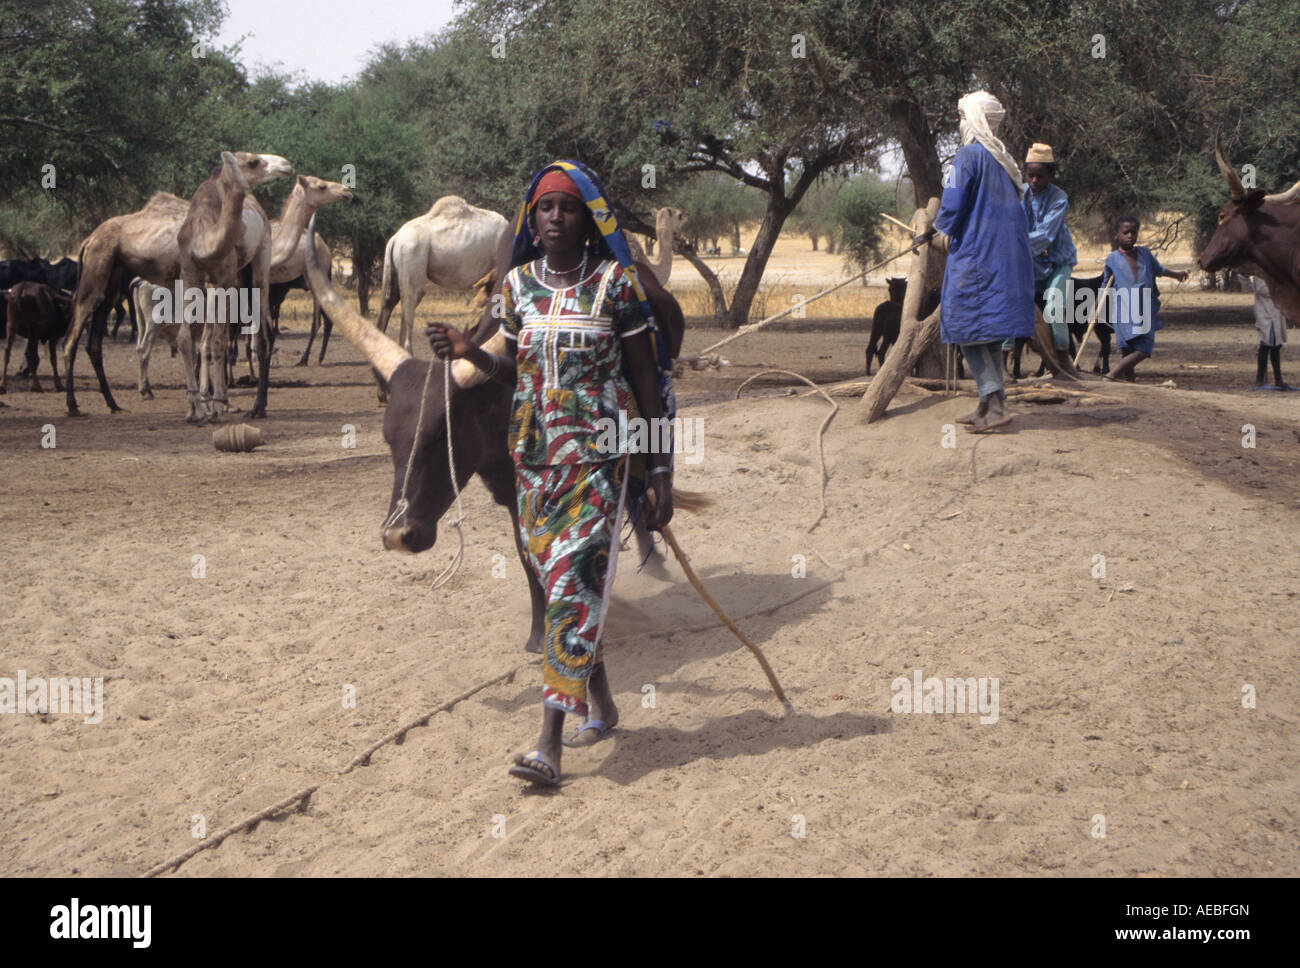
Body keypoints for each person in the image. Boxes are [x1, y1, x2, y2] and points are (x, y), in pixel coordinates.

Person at [426, 161, 675, 787]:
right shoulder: (517, 288)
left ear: (586, 218)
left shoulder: (618, 284)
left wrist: (660, 469)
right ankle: (606, 702)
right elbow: (522, 376)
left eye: (567, 208)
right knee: (568, 585)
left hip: (598, 459)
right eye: (545, 209)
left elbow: (646, 381)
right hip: (533, 462)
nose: (556, 218)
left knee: (569, 588)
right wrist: (472, 352)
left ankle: (548, 744)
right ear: (531, 221)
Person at [918, 90, 1034, 432]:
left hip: (977, 255)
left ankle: (994, 402)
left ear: (974, 120)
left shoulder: (968, 156)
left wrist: (935, 230)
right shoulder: (1005, 163)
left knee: (962, 323)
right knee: (990, 329)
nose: (961, 124)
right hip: (1008, 257)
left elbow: (952, 203)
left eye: (964, 118)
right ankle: (987, 404)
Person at [1100, 216, 1188, 382]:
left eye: (1134, 232)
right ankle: (1126, 381)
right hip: (1123, 307)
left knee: (1144, 348)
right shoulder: (1112, 259)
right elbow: (1106, 283)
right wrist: (1098, 304)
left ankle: (1111, 375)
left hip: (1145, 306)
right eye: (1125, 232)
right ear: (1116, 235)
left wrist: (1177, 275)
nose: (1130, 236)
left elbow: (1159, 270)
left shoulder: (1145, 253)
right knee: (1128, 348)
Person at [1021, 142, 1077, 358]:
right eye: (1030, 175)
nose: (1034, 181)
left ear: (1051, 175)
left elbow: (1046, 235)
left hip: (1058, 261)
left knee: (1054, 307)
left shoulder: (1059, 198)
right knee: (1013, 301)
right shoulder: (1019, 194)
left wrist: (1014, 246)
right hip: (1030, 263)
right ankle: (1003, 364)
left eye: (1040, 176)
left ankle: (1063, 361)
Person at [1249, 274, 1293, 390]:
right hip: (1266, 314)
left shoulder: (1271, 271)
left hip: (1275, 314)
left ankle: (1279, 381)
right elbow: (1261, 289)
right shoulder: (1261, 273)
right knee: (1266, 345)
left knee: (1276, 347)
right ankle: (1259, 381)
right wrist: (1280, 288)